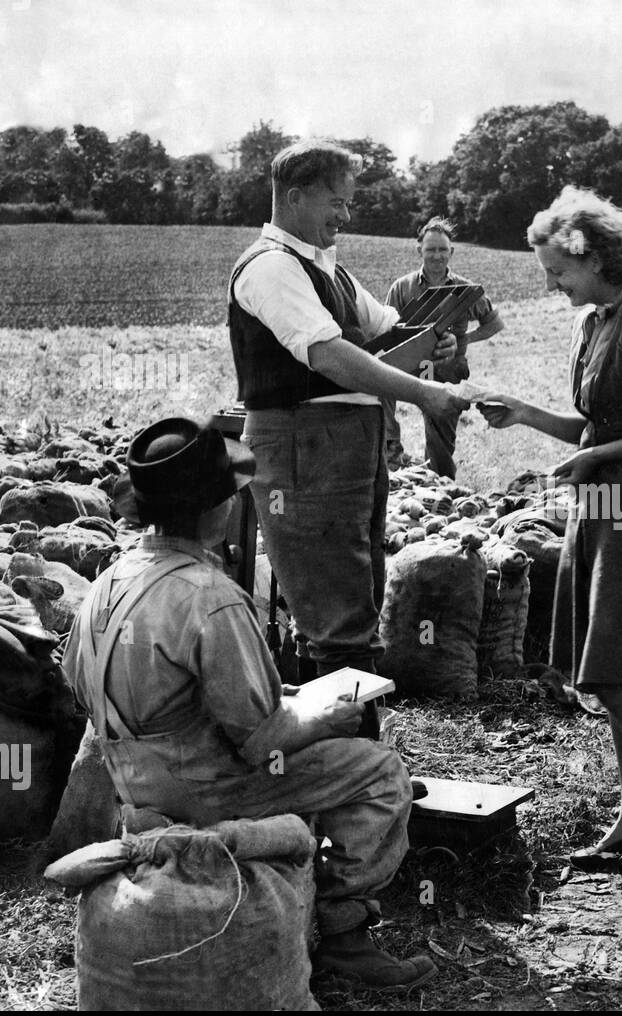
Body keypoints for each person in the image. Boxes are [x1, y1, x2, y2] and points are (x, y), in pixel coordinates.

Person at [62, 416, 436, 990]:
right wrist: (329, 717)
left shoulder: (107, 582)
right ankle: (345, 932)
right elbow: (265, 740)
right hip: (209, 787)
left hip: (135, 786)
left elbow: (85, 683)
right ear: (216, 510)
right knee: (381, 776)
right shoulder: (211, 598)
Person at [479, 186, 622, 900]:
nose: (552, 283)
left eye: (559, 270)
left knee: (617, 673)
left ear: (598, 258)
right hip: (600, 505)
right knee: (608, 675)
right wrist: (523, 414)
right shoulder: (594, 321)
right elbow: (591, 428)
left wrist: (599, 459)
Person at [228, 141, 467, 680]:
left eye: (348, 202)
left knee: (355, 596)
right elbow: (331, 357)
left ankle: (348, 747)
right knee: (334, 615)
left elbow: (385, 328)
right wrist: (424, 393)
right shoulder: (270, 268)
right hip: (302, 449)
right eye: (335, 202)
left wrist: (434, 343)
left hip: (344, 447)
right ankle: (344, 751)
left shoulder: (327, 269)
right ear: (294, 197)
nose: (346, 215)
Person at [383, 217, 506, 477]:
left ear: (451, 252)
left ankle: (439, 488)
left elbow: (494, 324)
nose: (437, 256)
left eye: (442, 250)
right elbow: (384, 332)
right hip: (410, 368)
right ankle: (391, 455)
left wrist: (464, 341)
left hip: (449, 370)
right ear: (419, 251)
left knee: (440, 452)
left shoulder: (466, 290)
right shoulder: (402, 287)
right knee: (378, 388)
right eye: (431, 249)